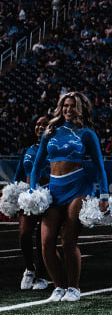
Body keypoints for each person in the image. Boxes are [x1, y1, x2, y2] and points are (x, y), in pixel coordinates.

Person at [29, 92, 110, 303]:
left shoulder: (86, 133)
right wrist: (32, 189)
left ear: (80, 108)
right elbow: (37, 165)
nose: (68, 109)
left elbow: (100, 166)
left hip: (78, 189)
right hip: (54, 191)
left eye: (73, 106)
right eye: (65, 105)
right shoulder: (51, 132)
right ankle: (58, 286)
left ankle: (73, 287)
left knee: (67, 240)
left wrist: (104, 194)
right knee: (46, 242)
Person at [16, 117, 51, 291]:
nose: (40, 127)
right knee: (24, 233)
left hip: (49, 195)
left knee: (42, 238)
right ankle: (30, 268)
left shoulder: (54, 148)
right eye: (38, 124)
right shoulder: (27, 149)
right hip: (29, 196)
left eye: (44, 124)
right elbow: (19, 173)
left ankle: (42, 275)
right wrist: (13, 192)